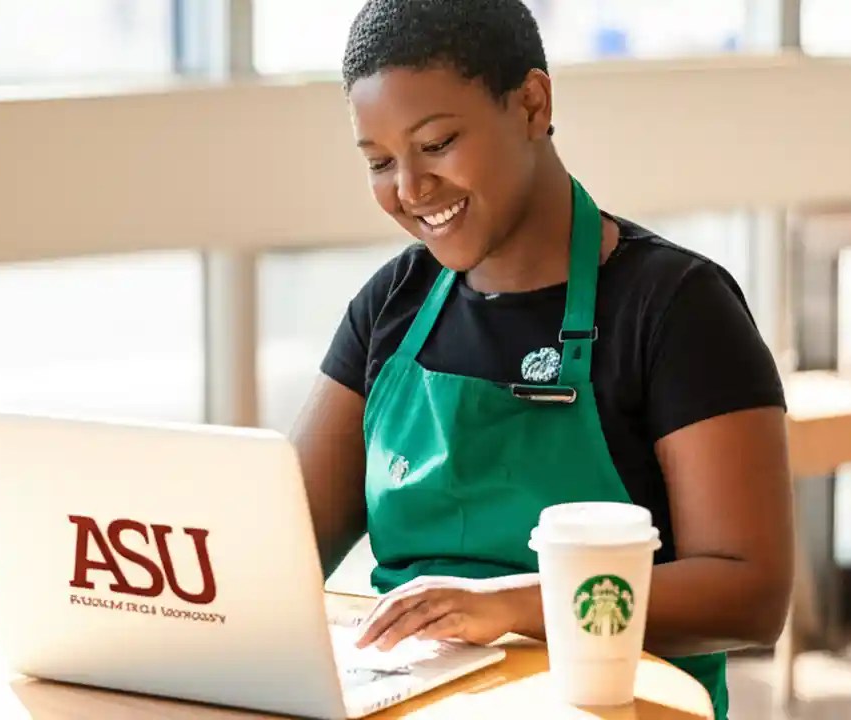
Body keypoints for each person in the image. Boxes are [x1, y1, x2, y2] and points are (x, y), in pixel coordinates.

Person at [289, 1, 793, 717]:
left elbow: (751, 592)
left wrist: (513, 606)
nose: (408, 189)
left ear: (530, 103)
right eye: (379, 162)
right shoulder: (394, 304)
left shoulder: (678, 306)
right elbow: (283, 549)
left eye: (435, 144)